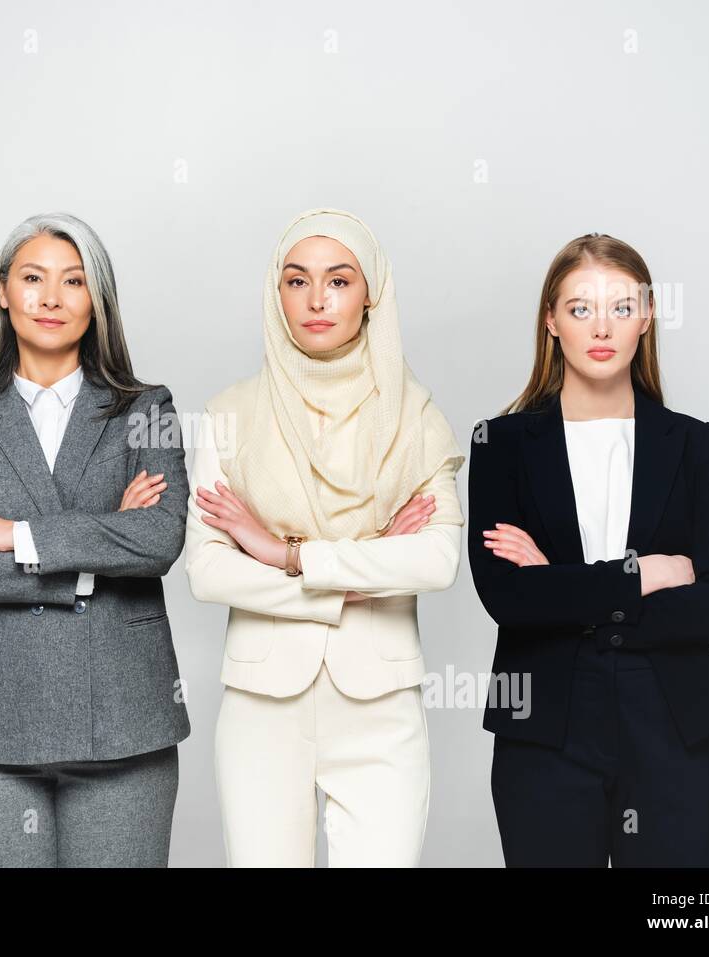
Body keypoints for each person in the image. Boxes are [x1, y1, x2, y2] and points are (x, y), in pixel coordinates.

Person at [185, 207, 465, 866]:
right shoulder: (229, 413)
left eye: (339, 281)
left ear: (371, 294)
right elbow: (208, 571)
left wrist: (285, 554)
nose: (316, 300)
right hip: (261, 704)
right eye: (296, 280)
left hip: (381, 706)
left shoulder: (416, 415)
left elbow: (436, 558)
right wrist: (362, 569)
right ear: (275, 293)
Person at [469, 232, 709, 866]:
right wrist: (642, 575)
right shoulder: (501, 443)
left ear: (647, 318)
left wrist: (564, 583)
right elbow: (509, 598)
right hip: (545, 726)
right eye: (580, 308)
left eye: (622, 308)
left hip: (670, 720)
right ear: (550, 321)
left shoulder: (695, 445)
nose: (602, 327)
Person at [0, 212, 191, 867]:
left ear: (96, 300)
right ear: (2, 291)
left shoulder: (145, 410)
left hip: (125, 720)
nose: (51, 297)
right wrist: (98, 552)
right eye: (33, 277)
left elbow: (157, 538)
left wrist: (9, 533)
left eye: (73, 281)